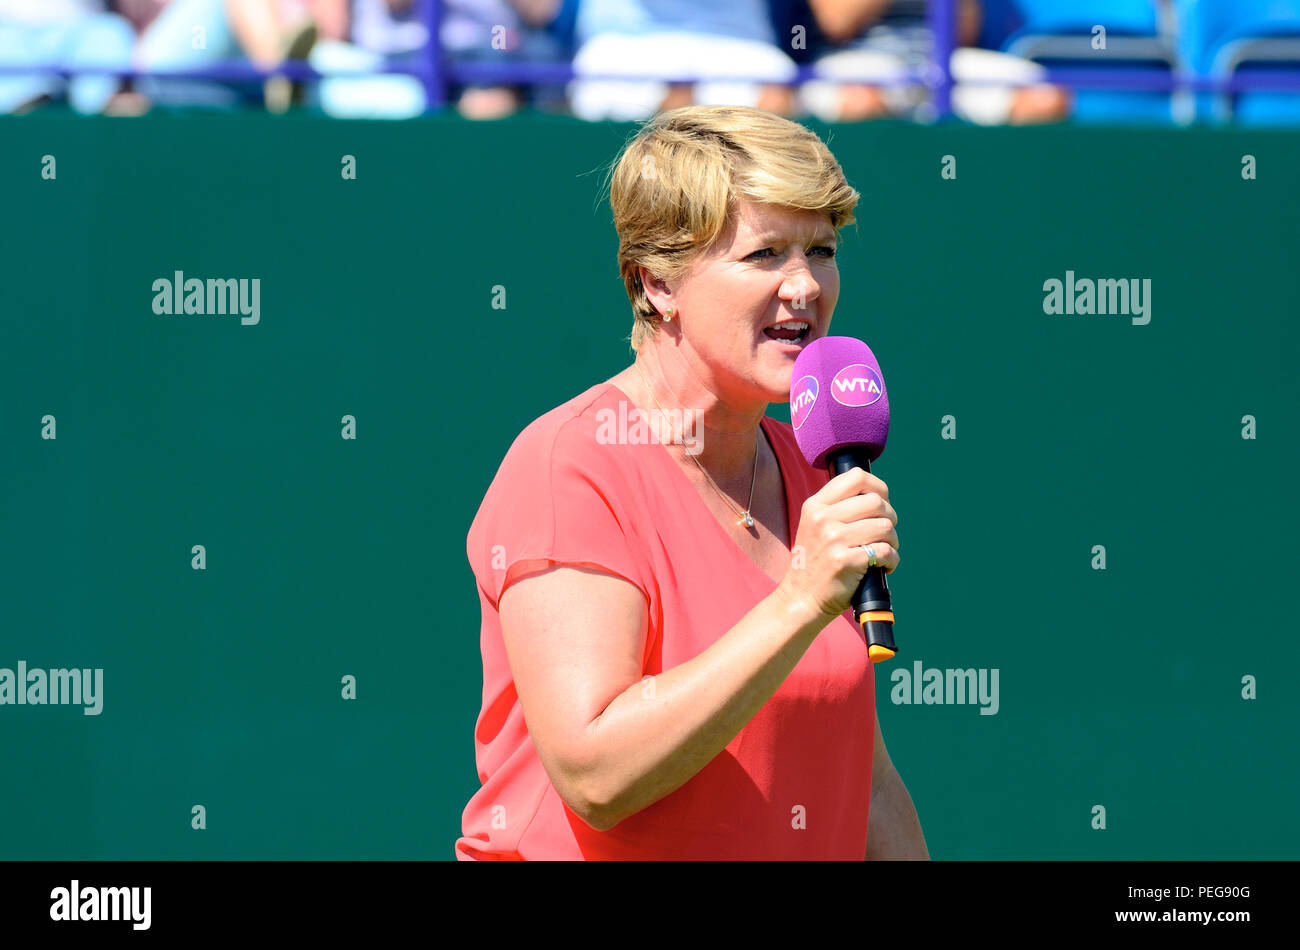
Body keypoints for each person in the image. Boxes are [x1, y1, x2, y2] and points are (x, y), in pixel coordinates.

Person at [457, 105, 929, 860]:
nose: (805, 286)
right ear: (657, 283)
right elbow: (598, 774)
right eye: (765, 254)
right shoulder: (571, 465)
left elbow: (863, 784)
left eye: (822, 249)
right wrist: (801, 599)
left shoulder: (819, 467)